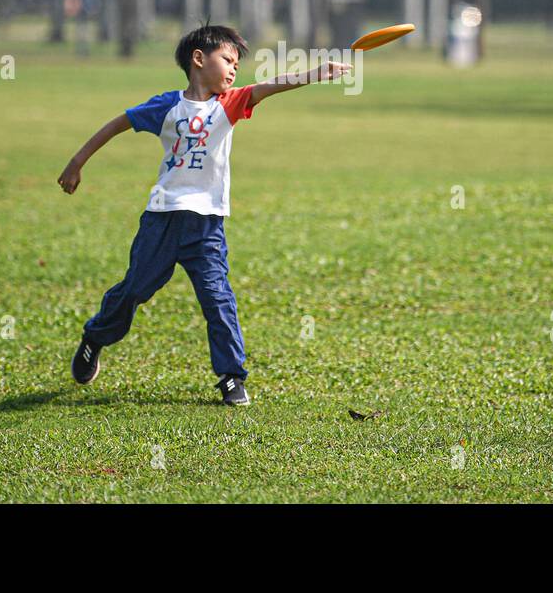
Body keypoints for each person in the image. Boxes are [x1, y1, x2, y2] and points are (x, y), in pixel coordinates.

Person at [57, 23, 350, 406]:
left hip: (207, 225)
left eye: (237, 64)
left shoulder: (228, 104)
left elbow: (270, 85)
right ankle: (95, 338)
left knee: (217, 298)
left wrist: (313, 75)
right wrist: (77, 162)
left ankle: (232, 377)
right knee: (133, 291)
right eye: (227, 59)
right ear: (199, 59)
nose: (233, 69)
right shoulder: (166, 106)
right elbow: (117, 124)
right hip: (162, 219)